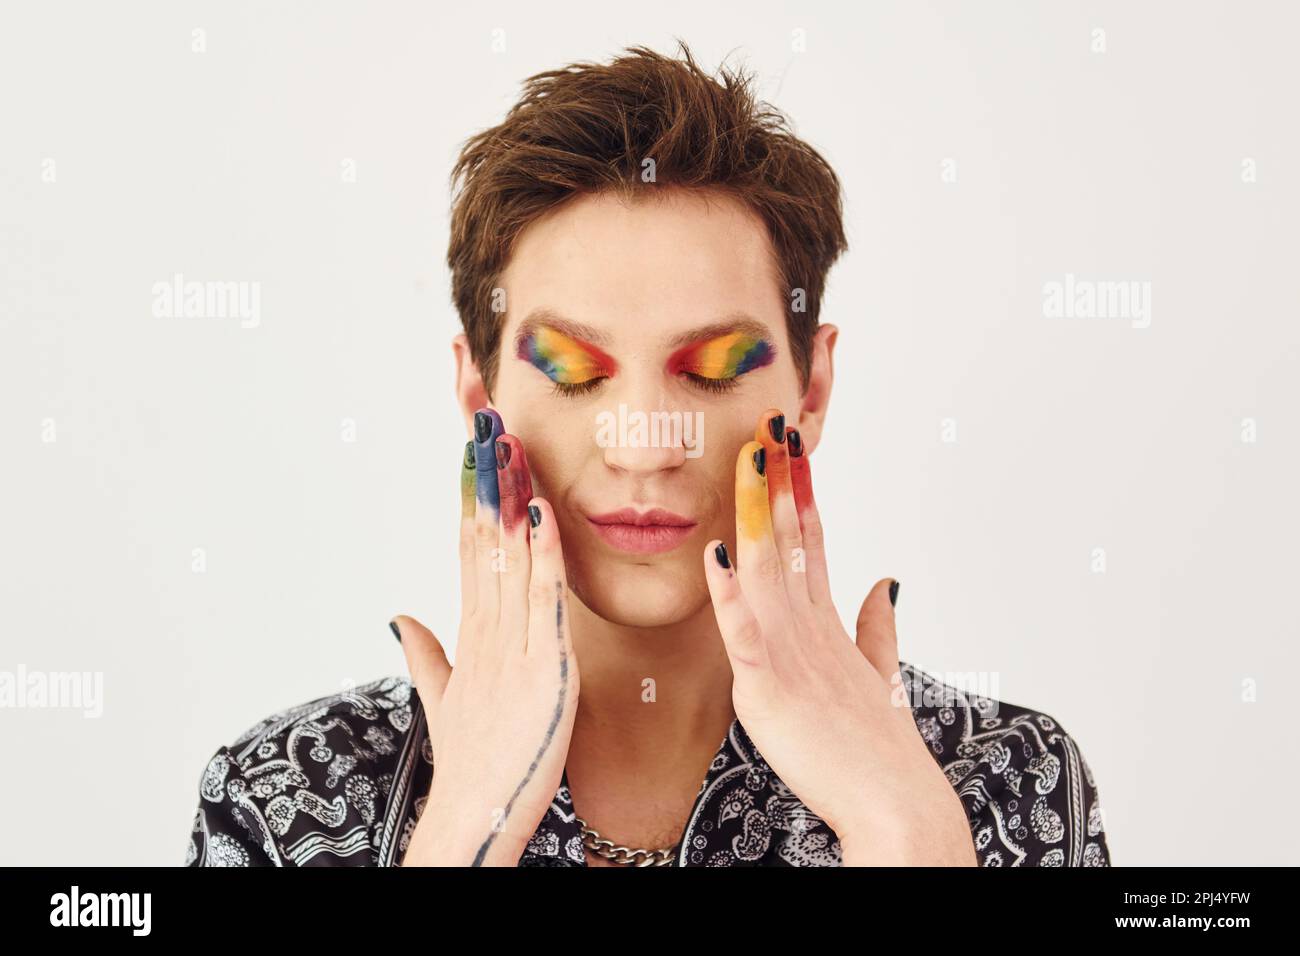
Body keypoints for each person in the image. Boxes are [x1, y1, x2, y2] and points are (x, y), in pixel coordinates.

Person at [185, 44, 1110, 868]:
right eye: (575, 373)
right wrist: (468, 824)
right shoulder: (281, 803)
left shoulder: (1004, 785)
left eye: (710, 371)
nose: (641, 447)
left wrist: (907, 838)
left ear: (811, 391)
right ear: (479, 395)